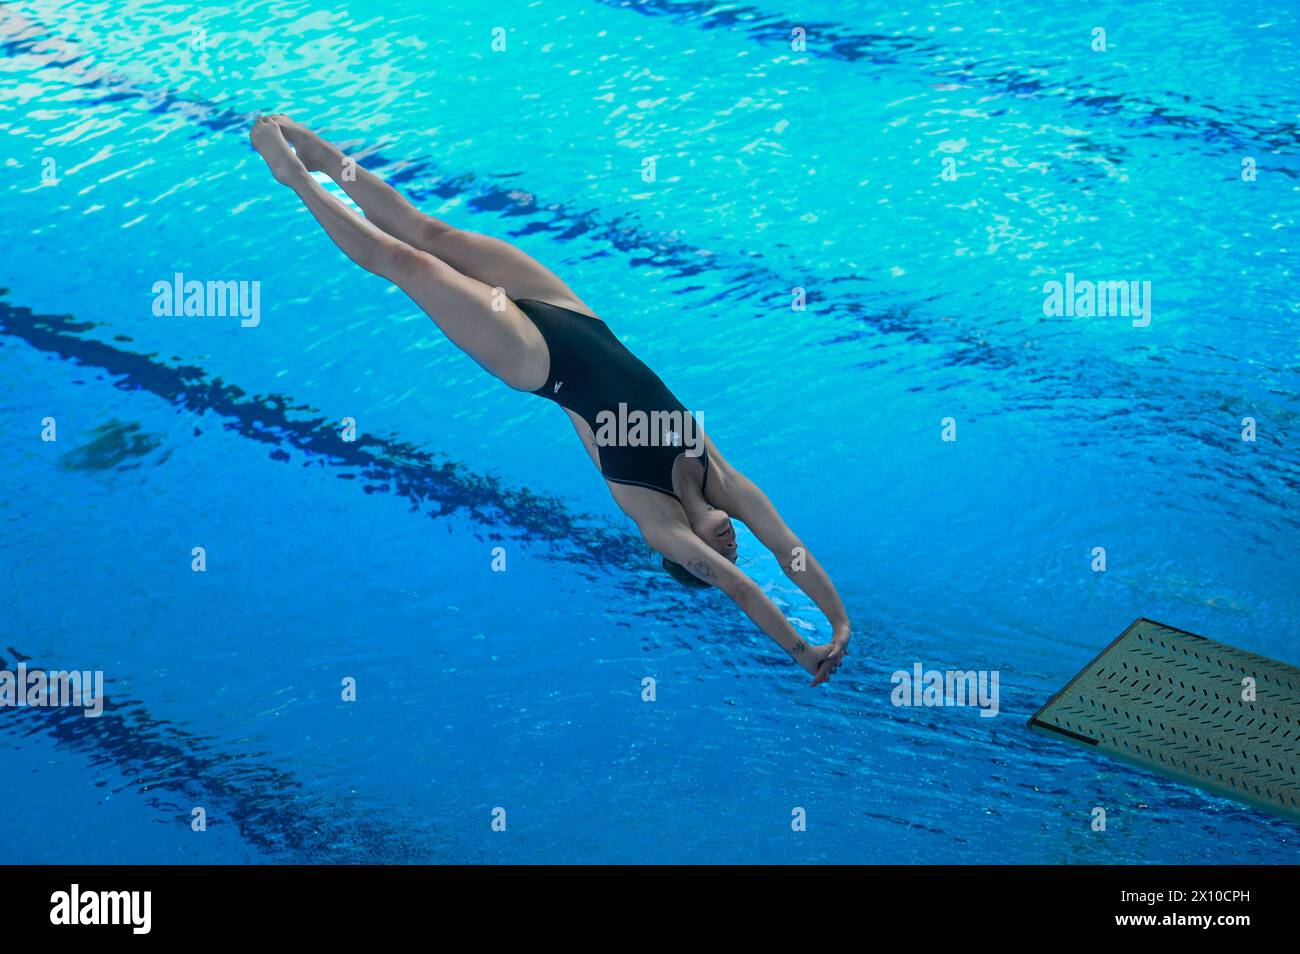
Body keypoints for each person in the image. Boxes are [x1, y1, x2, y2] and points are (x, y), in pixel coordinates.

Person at [250, 116, 850, 684]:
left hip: (537, 361)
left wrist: (805, 654)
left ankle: (294, 176)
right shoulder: (716, 473)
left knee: (406, 262)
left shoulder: (661, 524)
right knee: (429, 232)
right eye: (736, 547)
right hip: (574, 315)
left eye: (723, 555)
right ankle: (317, 150)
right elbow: (786, 546)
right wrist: (839, 622)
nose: (735, 548)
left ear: (691, 557)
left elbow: (741, 589)